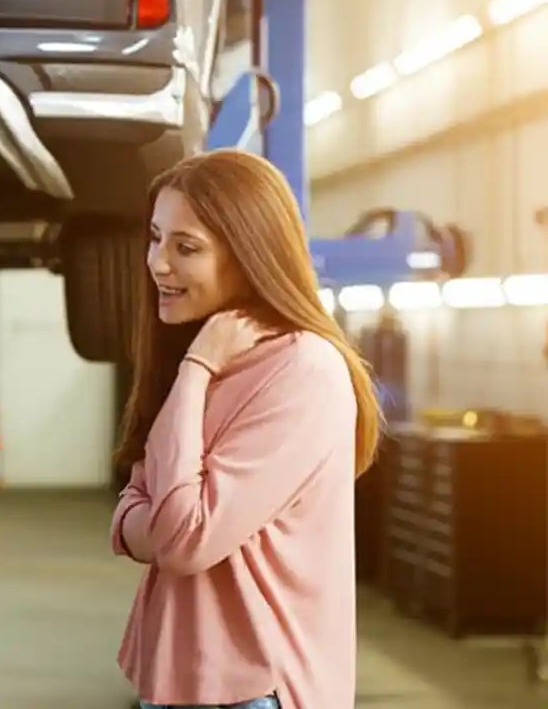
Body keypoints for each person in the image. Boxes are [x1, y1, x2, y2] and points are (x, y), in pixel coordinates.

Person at [109, 148, 382, 709]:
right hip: (178, 680)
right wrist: (152, 521)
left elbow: (180, 540)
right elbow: (137, 505)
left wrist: (196, 371)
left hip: (255, 689)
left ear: (249, 254)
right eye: (156, 238)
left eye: (186, 248)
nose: (158, 263)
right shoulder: (208, 353)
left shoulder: (301, 369)